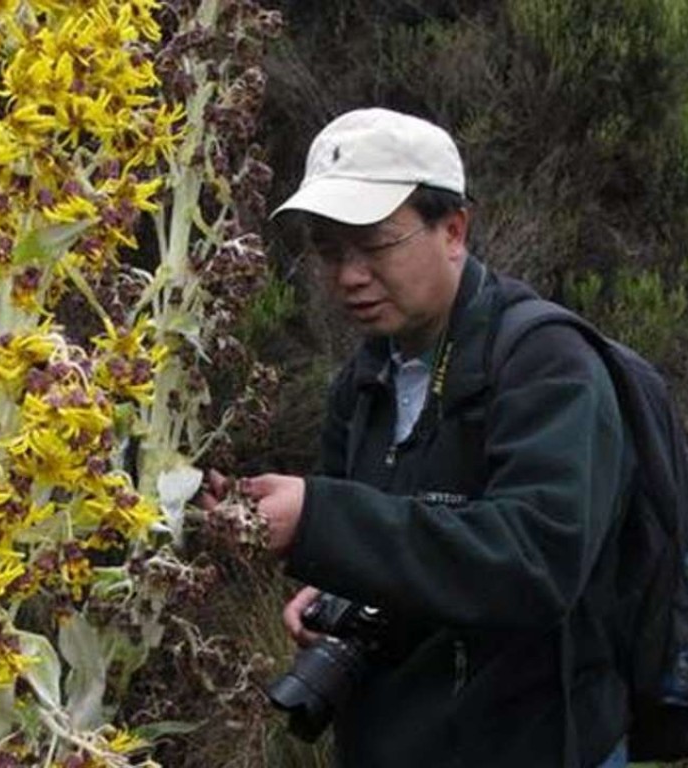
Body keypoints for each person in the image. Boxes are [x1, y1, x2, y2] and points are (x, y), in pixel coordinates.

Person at [209, 108, 634, 767]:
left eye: (374, 244)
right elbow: (389, 539)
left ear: (453, 230)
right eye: (329, 250)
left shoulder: (546, 363)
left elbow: (539, 563)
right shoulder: (364, 379)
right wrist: (331, 587)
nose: (348, 275)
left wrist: (319, 520)